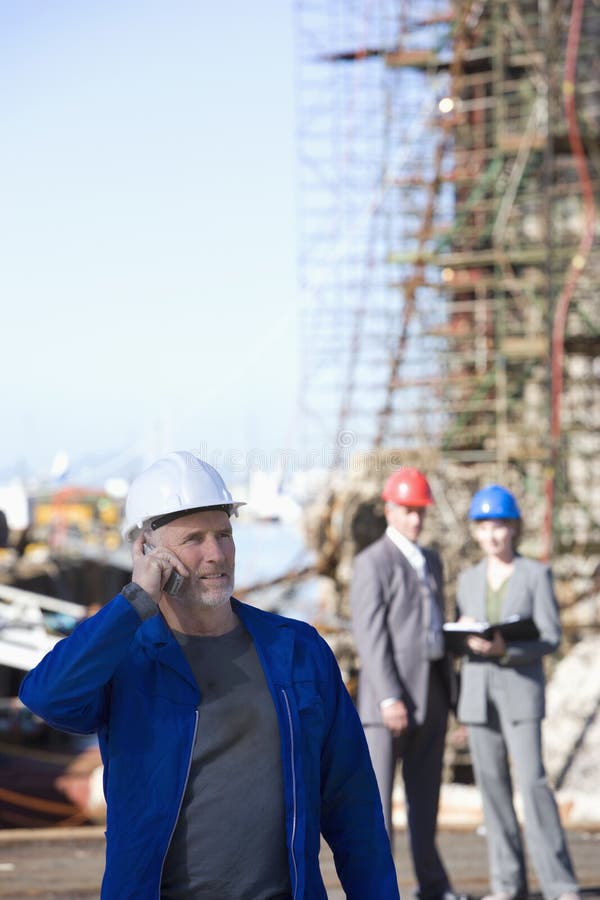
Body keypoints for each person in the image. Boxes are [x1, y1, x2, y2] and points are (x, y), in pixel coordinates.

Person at [19, 450, 399, 900]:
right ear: (146, 550)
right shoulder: (125, 657)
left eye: (224, 534)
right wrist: (135, 601)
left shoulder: (297, 649)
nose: (216, 554)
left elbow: (353, 807)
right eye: (193, 539)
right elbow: (47, 697)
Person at [456, 484, 580, 900]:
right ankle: (507, 886)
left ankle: (559, 884)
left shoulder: (535, 575)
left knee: (533, 785)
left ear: (514, 529)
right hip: (477, 696)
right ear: (476, 532)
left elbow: (550, 637)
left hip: (520, 692)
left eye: (501, 526)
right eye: (486, 526)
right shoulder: (468, 579)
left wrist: (506, 648)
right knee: (492, 793)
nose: (493, 535)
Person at [350, 467, 460, 900]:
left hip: (431, 690)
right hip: (388, 701)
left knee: (425, 799)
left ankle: (433, 884)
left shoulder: (430, 559)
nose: (416, 520)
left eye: (420, 512)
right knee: (378, 803)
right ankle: (378, 890)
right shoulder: (371, 562)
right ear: (390, 510)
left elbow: (429, 626)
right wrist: (389, 694)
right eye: (409, 511)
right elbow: (370, 634)